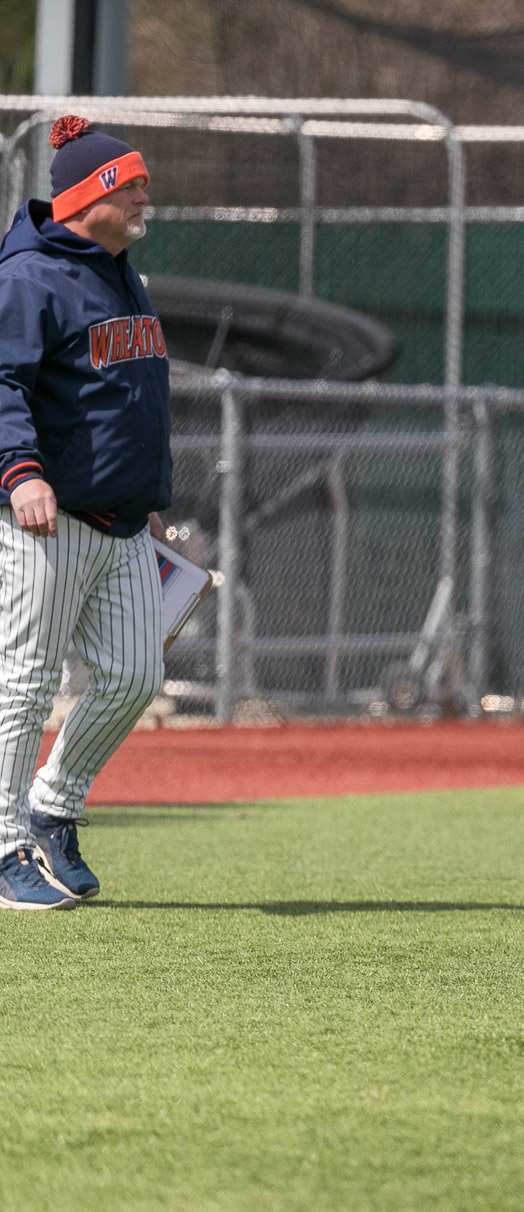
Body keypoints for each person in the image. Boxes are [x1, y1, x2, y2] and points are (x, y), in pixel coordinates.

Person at [0, 116, 171, 909]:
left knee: (136, 675)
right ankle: (3, 845)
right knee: (25, 684)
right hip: (47, 517)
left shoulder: (119, 272)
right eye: (129, 185)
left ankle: (51, 807)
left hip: (123, 521)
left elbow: (130, 398)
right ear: (87, 197)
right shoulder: (28, 277)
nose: (143, 197)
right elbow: (3, 384)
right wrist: (19, 470)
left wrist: (149, 493)